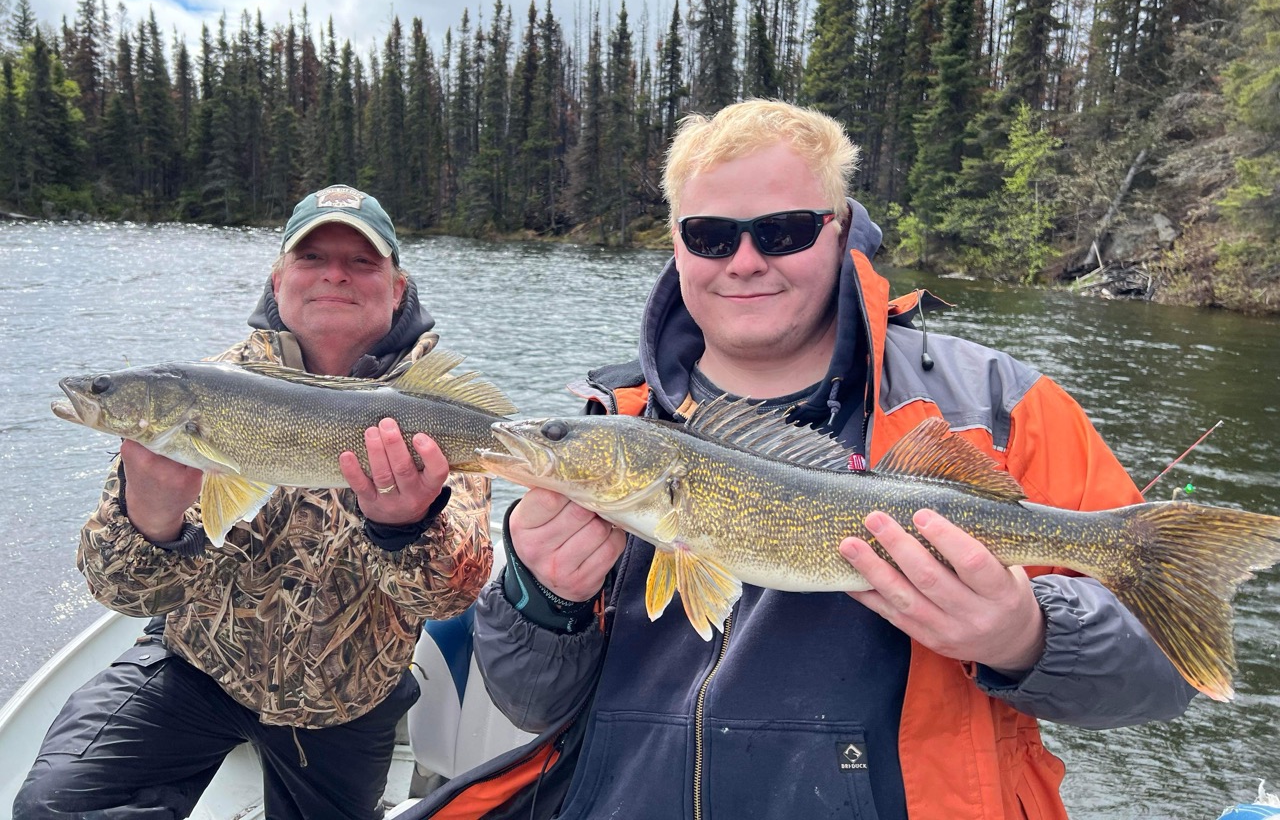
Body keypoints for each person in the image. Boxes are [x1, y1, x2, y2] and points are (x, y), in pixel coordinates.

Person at [418, 100, 1198, 820]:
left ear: (838, 228)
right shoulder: (611, 421)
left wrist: (1023, 635)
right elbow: (529, 703)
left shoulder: (994, 408)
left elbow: (1163, 671)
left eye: (783, 230)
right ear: (679, 247)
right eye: (712, 236)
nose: (746, 261)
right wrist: (541, 598)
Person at [15, 184, 494, 820]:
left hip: (345, 701)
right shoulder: (200, 390)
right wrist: (152, 521)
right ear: (278, 279)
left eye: (361, 261)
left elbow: (449, 598)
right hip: (198, 670)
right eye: (311, 257)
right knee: (57, 806)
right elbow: (120, 592)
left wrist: (405, 530)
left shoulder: (438, 417)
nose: (334, 275)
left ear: (398, 287)